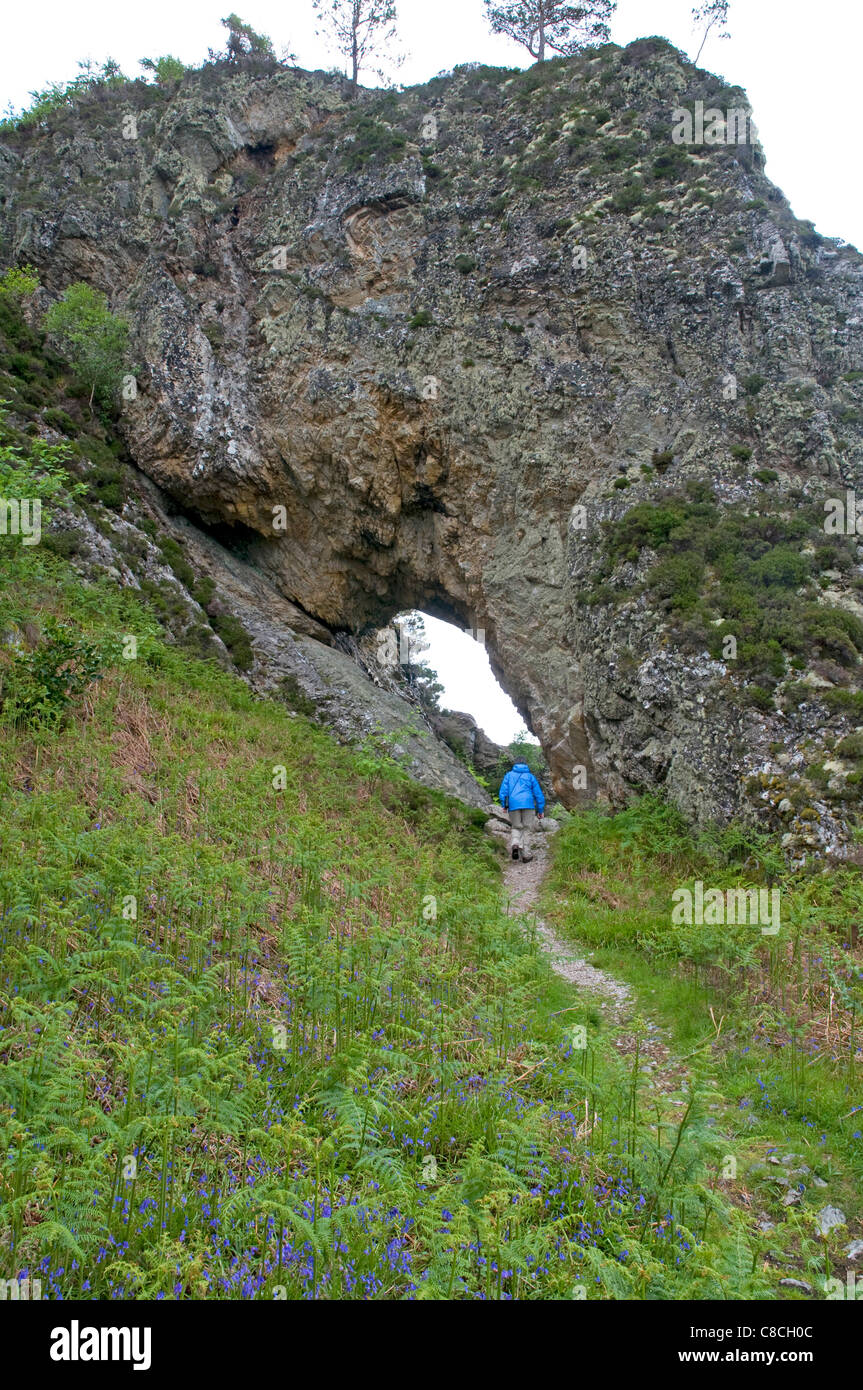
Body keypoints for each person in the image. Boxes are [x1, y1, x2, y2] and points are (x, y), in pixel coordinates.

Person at [498, 761, 545, 862]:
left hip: (513, 805)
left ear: (515, 764)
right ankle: (526, 855)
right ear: (525, 765)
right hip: (528, 804)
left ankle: (515, 843)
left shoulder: (509, 775)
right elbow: (538, 794)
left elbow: (503, 792)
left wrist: (504, 805)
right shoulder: (530, 776)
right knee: (526, 829)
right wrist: (540, 810)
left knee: (516, 826)